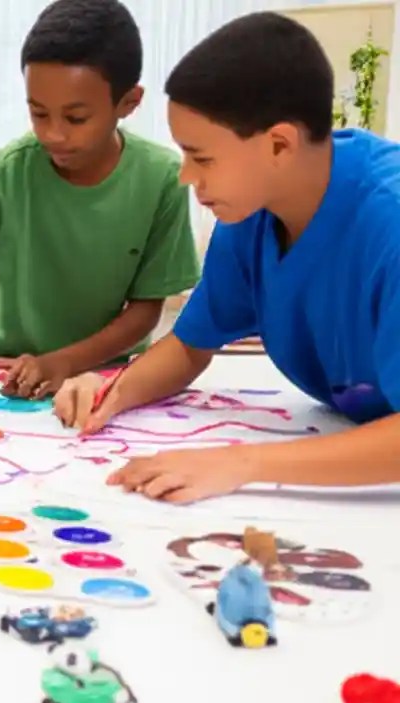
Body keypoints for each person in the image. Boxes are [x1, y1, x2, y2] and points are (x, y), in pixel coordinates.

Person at [54, 12, 400, 502]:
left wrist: (241, 462)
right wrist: (113, 390)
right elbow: (191, 345)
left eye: (202, 158)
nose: (185, 177)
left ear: (279, 145)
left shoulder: (388, 221)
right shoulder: (252, 213)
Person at [0, 0, 200, 399]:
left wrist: (65, 363)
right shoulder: (1, 178)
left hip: (110, 384)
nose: (53, 134)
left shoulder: (162, 177)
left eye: (75, 118)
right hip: (10, 380)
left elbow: (146, 311)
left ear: (128, 102)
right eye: (39, 114)